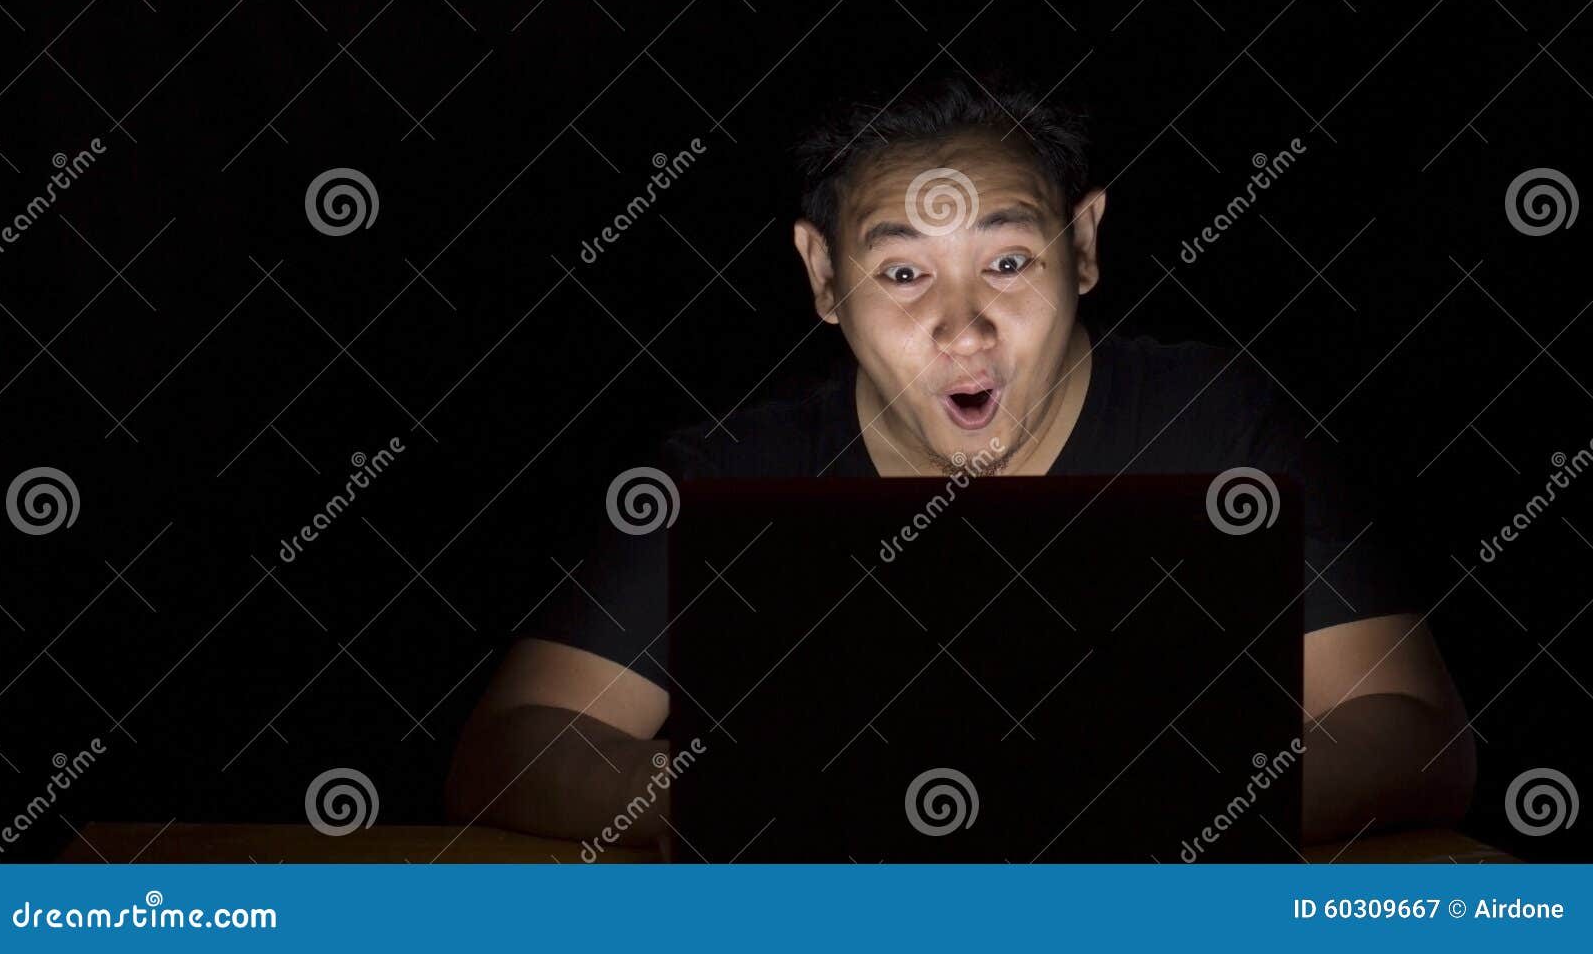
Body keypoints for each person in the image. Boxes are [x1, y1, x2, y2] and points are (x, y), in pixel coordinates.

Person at [444, 71, 1475, 849]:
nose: (963, 328)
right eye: (902, 271)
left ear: (1082, 244)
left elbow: (1415, 731)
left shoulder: (1218, 424)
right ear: (823, 274)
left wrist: (1131, 798)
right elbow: (511, 747)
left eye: (1008, 261)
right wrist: (773, 797)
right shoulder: (721, 474)